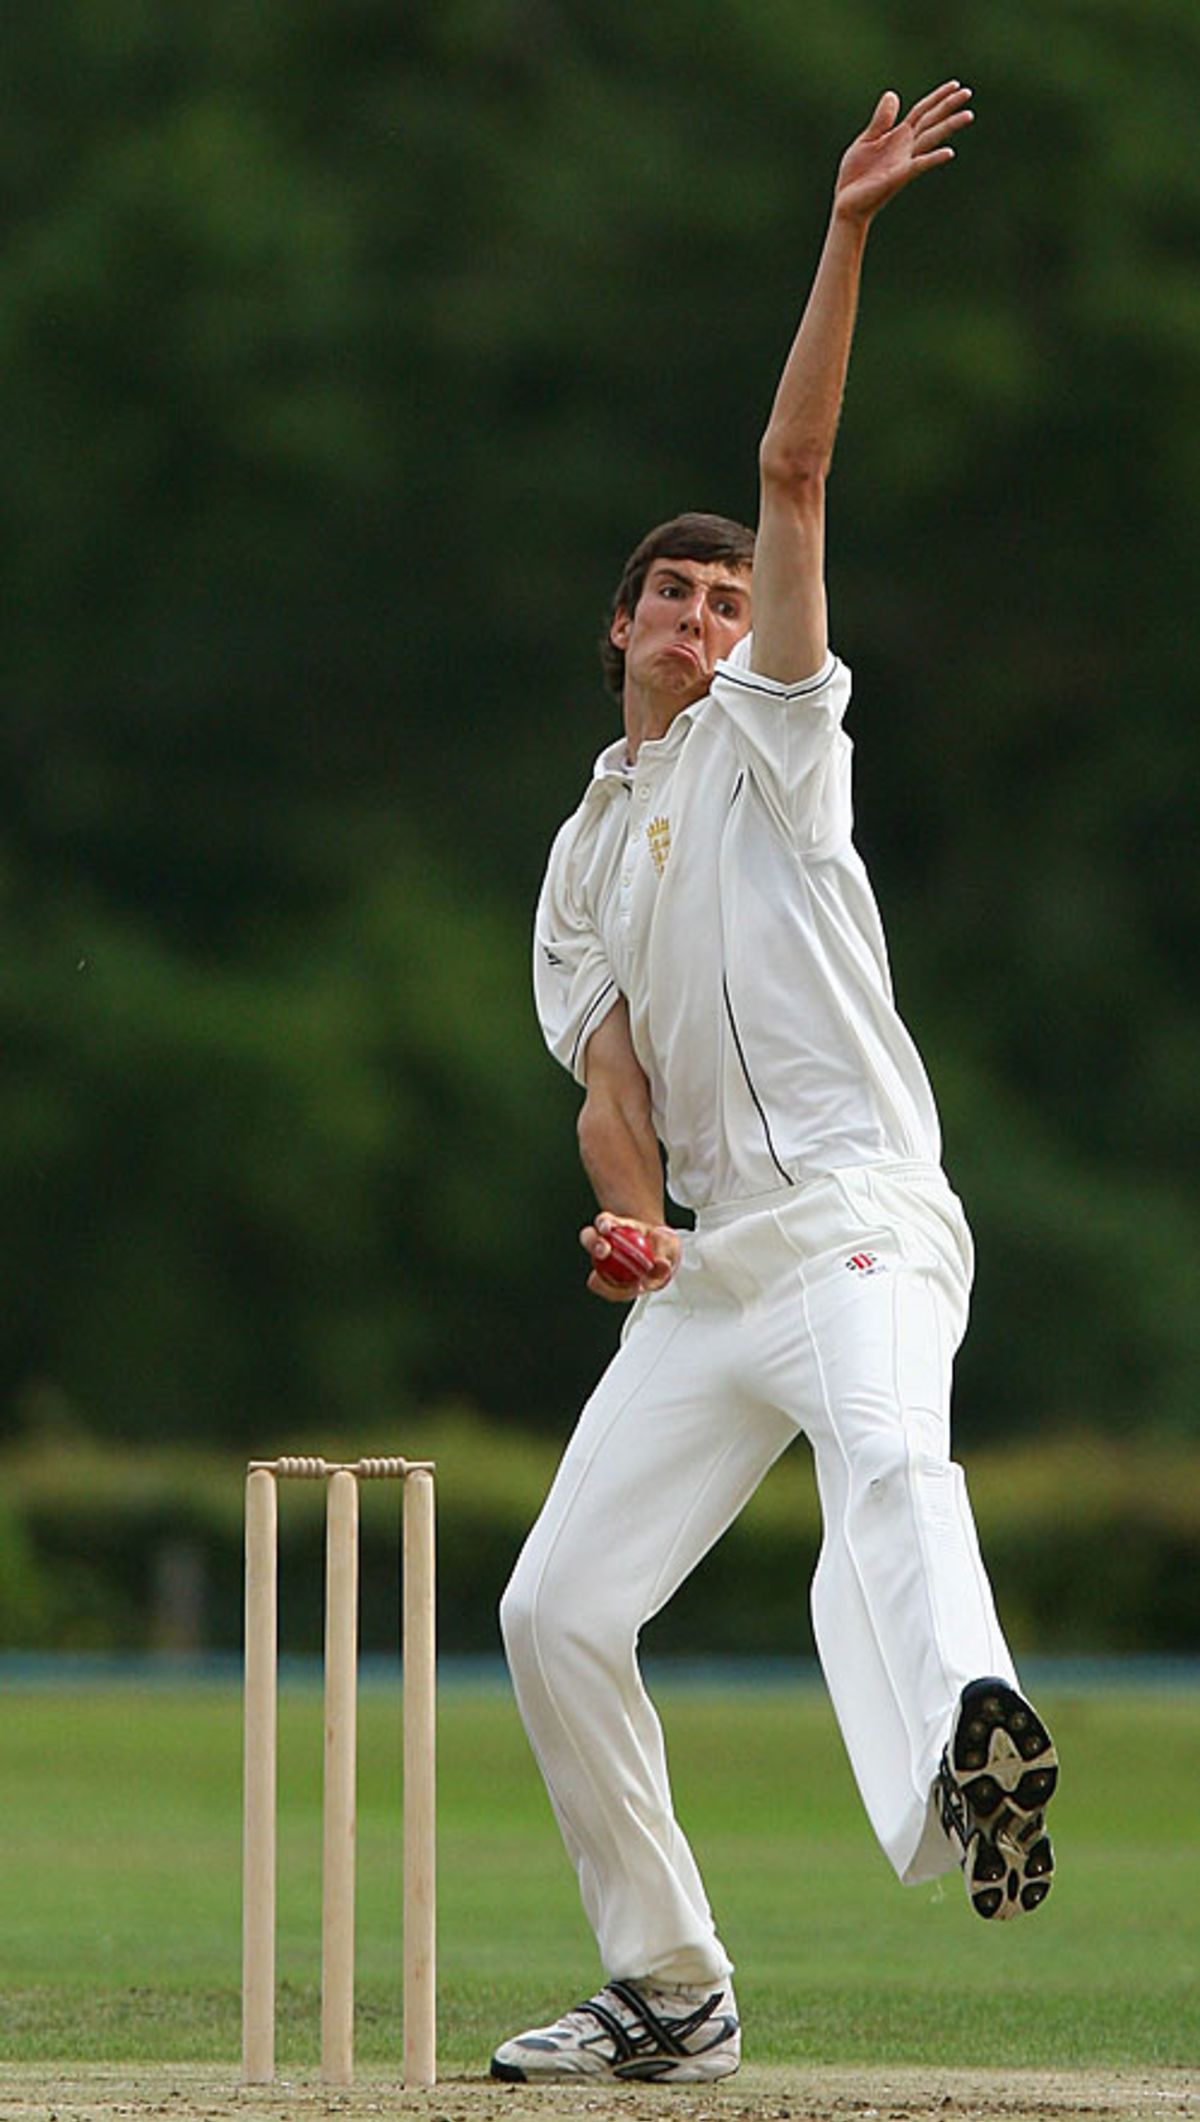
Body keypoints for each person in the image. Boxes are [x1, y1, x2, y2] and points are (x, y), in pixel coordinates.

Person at [492, 81, 1059, 2088]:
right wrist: (634, 1213)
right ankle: (673, 1985)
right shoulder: (582, 855)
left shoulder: (780, 740)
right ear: (624, 625)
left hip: (861, 1224)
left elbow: (796, 467)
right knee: (554, 1606)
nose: (711, 617)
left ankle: (974, 1756)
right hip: (715, 1273)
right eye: (682, 597)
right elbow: (606, 1078)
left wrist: (846, 235)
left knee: (891, 1472)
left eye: (732, 602)